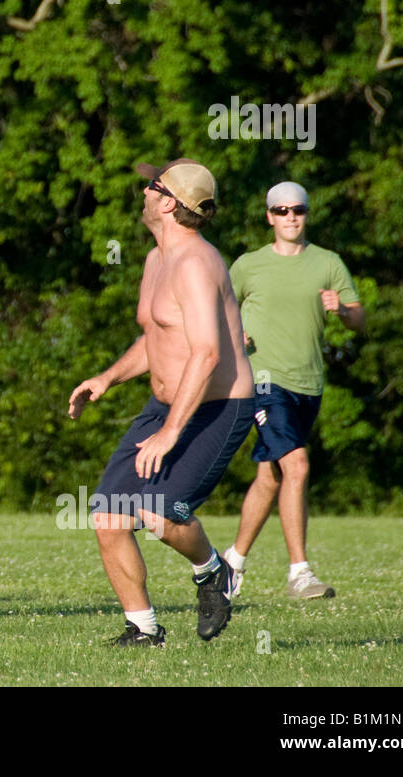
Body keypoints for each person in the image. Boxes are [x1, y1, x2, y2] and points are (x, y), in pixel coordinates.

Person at [68, 159, 255, 645]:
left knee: (162, 511)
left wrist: (171, 432)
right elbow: (156, 338)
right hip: (164, 407)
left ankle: (213, 572)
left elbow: (207, 353)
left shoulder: (196, 263)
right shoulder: (157, 259)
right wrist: (108, 377)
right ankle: (143, 629)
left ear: (169, 202)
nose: (144, 192)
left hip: (217, 407)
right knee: (109, 516)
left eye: (152, 186)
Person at [223, 182, 364, 600]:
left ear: (306, 213)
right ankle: (300, 574)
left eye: (297, 210)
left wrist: (341, 309)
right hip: (264, 382)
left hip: (309, 385)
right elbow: (216, 310)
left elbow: (359, 320)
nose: (290, 217)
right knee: (297, 465)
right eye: (281, 211)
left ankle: (232, 563)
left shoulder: (328, 263)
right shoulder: (249, 265)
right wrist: (236, 335)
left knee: (271, 476)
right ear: (269, 217)